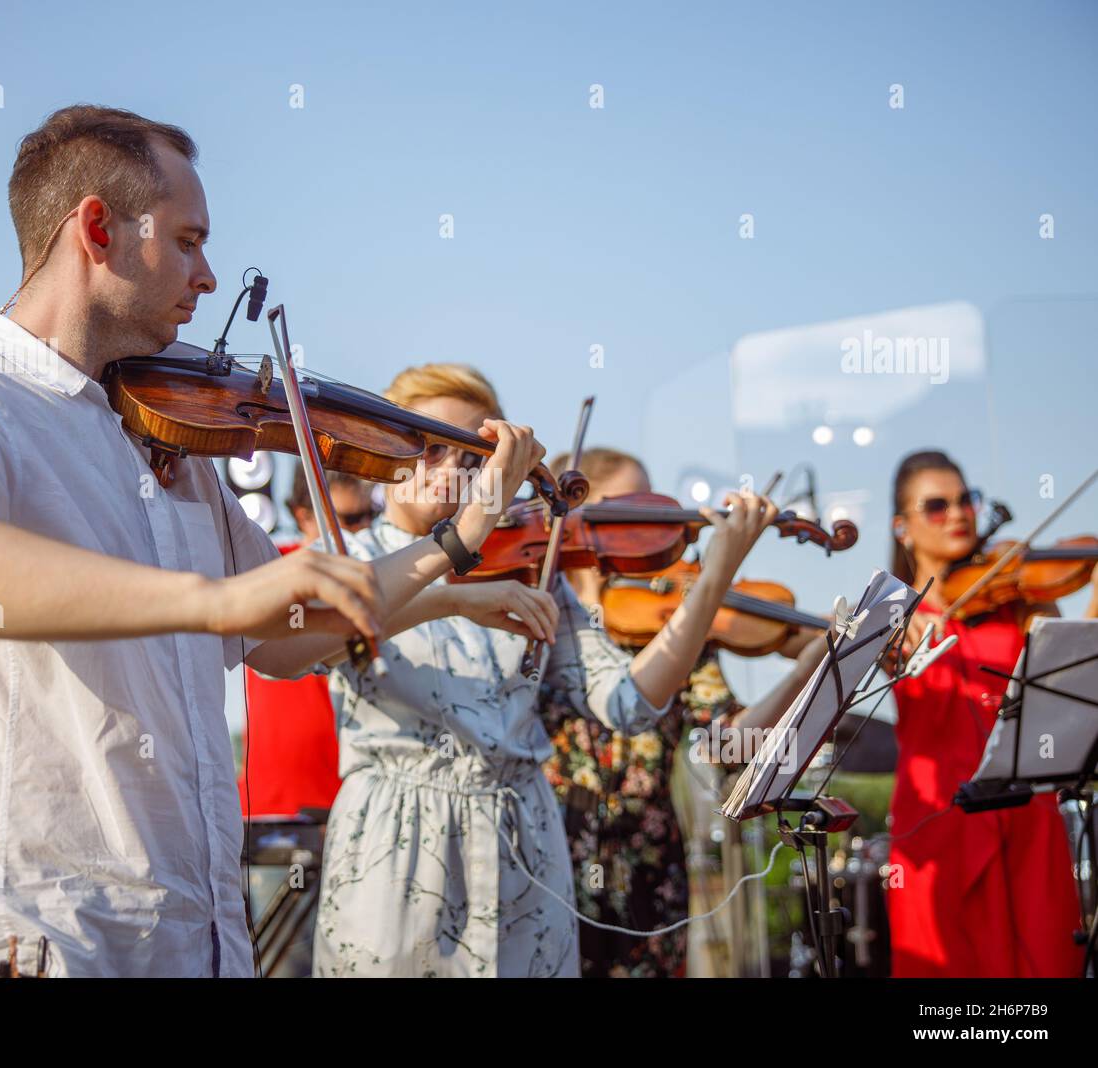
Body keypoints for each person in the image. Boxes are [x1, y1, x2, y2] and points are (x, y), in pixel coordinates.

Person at [0, 105, 545, 978]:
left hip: (198, 937)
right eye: (187, 240)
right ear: (96, 229)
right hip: (41, 939)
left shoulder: (170, 443)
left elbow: (284, 642)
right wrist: (209, 600)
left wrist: (458, 538)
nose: (208, 276)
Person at [309, 364, 783, 977]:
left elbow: (629, 703)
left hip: (521, 847)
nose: (451, 471)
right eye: (429, 449)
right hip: (396, 848)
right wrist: (449, 594)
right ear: (386, 450)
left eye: (474, 457)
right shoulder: (349, 559)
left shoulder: (531, 568)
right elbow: (309, 648)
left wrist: (714, 577)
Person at [539, 447, 826, 977]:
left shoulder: (680, 625)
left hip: (651, 862)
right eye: (635, 507)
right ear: (579, 504)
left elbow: (731, 743)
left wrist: (807, 666)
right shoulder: (542, 606)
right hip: (552, 846)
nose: (654, 528)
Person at [882, 449, 1091, 977]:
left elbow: (1072, 671)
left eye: (965, 500)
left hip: (1027, 822)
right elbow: (819, 641)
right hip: (937, 828)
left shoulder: (1015, 596)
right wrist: (883, 623)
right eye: (936, 506)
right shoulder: (892, 614)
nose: (957, 514)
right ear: (901, 527)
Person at [237, 465, 378, 819]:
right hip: (276, 804)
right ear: (304, 516)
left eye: (369, 517)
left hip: (358, 804)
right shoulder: (271, 565)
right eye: (350, 519)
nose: (363, 531)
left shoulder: (374, 582)